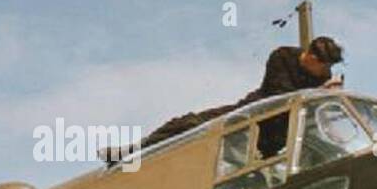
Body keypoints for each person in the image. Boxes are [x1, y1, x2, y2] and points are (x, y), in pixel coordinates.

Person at [138, 36, 345, 152]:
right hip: (254, 117)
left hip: (279, 134)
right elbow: (278, 96)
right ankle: (140, 148)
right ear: (310, 56)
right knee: (191, 123)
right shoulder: (282, 56)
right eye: (323, 65)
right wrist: (316, 92)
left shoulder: (322, 75)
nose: (324, 71)